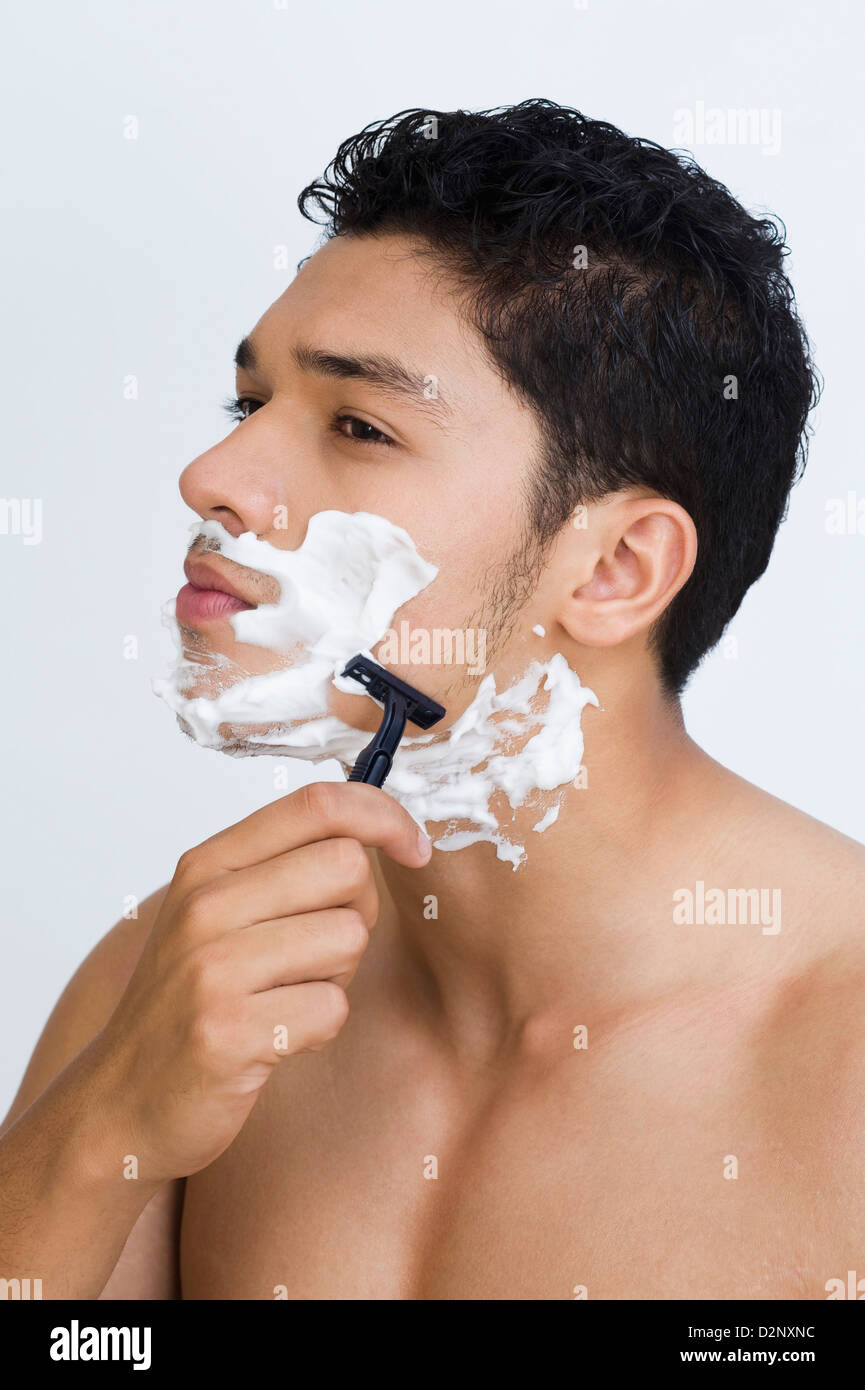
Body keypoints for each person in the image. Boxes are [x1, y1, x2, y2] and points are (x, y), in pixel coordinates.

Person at [3, 100, 863, 1301]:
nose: (212, 478)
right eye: (250, 406)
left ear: (615, 570)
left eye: (358, 423)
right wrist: (97, 1137)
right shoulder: (178, 984)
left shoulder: (842, 1060)